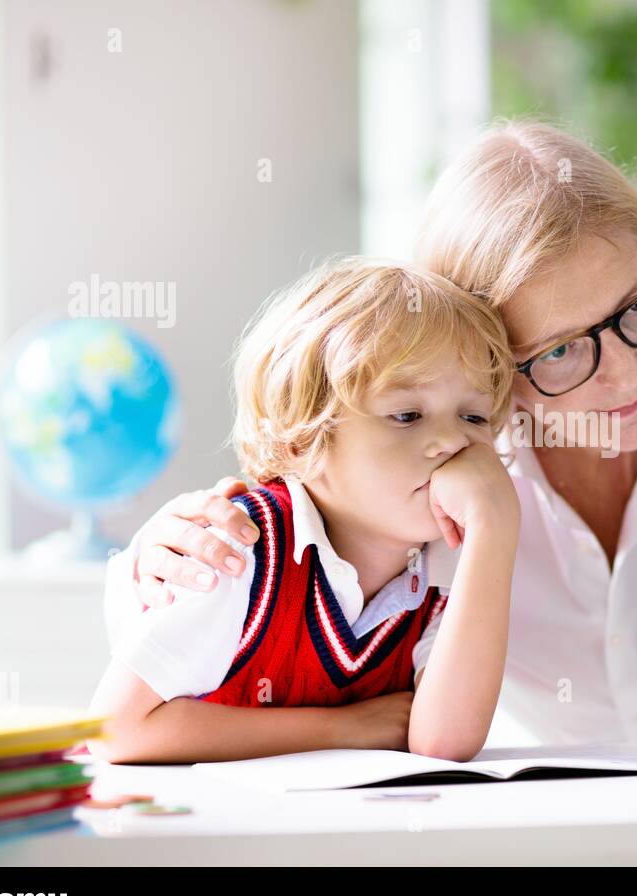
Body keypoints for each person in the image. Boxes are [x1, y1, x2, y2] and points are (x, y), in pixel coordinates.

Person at [105, 121, 637, 746]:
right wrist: (167, 550)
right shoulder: (443, 464)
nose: (626, 373)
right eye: (560, 351)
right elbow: (300, 534)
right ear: (488, 364)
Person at [89, 258, 520, 763]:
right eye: (407, 415)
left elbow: (444, 742)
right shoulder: (244, 549)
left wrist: (494, 524)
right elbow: (116, 730)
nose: (451, 440)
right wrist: (346, 728)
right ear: (302, 441)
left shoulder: (443, 574)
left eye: (474, 416)